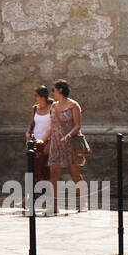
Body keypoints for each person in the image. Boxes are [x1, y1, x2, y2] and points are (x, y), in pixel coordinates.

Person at [45, 80, 87, 213]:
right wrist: (46, 141)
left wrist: (68, 136)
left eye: (54, 90)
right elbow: (51, 127)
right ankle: (54, 205)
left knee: (74, 173)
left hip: (70, 143)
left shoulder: (73, 105)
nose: (52, 93)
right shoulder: (53, 106)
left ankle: (83, 201)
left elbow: (77, 125)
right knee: (53, 174)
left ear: (60, 90)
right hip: (56, 143)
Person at [25, 85, 54, 207]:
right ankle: (30, 196)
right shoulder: (35, 108)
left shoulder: (52, 107)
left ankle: (43, 195)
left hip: (46, 142)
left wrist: (46, 140)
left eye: (36, 95)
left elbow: (52, 126)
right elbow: (32, 123)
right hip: (34, 141)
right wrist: (27, 132)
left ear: (42, 97)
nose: (35, 98)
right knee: (33, 168)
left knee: (44, 169)